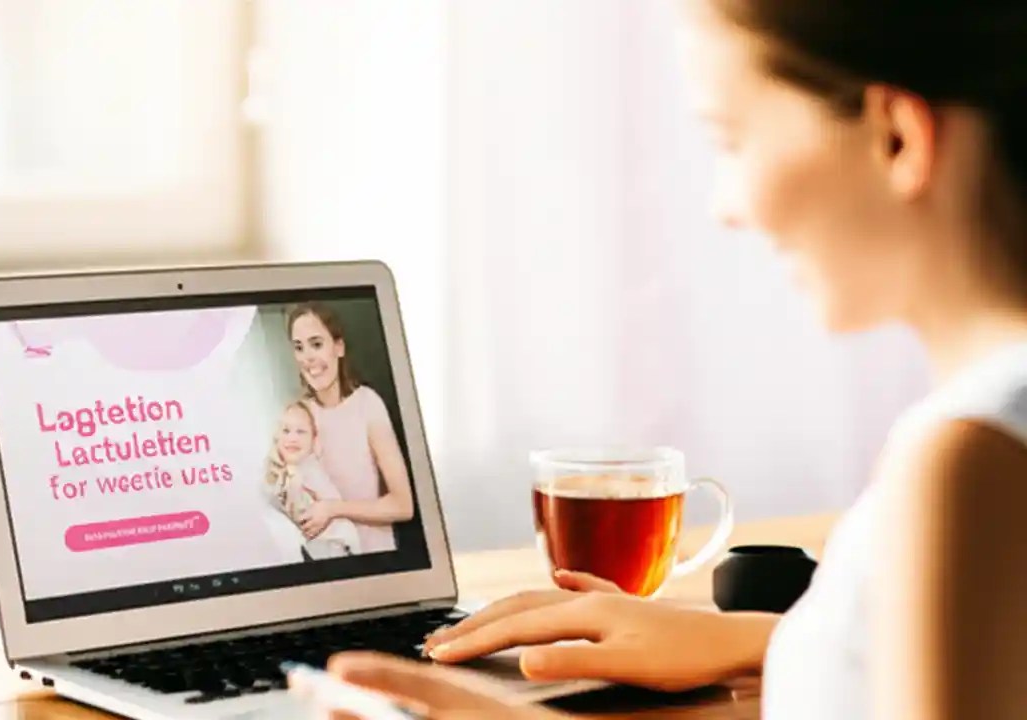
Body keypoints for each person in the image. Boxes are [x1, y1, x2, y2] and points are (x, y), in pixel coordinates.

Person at [322, 0, 1027, 717]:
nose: (728, 207)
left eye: (732, 141)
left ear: (897, 139)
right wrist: (758, 641)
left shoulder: (970, 460)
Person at [287, 302, 415, 553]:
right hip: (326, 562)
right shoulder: (299, 415)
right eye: (299, 347)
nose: (307, 357)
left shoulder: (367, 404)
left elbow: (403, 505)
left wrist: (333, 508)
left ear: (339, 347)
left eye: (316, 344)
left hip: (376, 560)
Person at [262, 402, 362, 559]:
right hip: (306, 547)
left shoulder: (311, 470)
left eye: (301, 432)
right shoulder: (277, 473)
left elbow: (331, 504)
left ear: (313, 440)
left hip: (333, 544)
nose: (292, 438)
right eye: (286, 431)